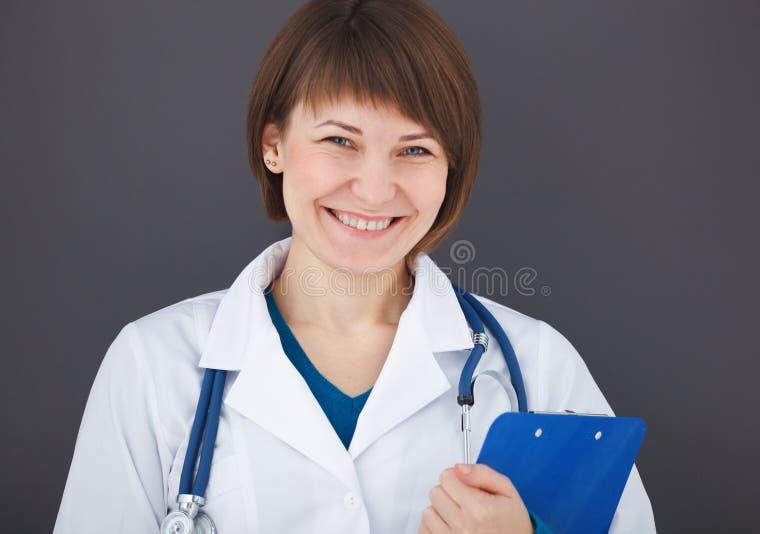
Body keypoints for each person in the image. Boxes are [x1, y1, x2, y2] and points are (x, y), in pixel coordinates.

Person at [54, 1, 657, 532]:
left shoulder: (536, 369)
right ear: (274, 146)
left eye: (414, 150)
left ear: (451, 170)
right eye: (340, 141)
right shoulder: (154, 366)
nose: (373, 190)